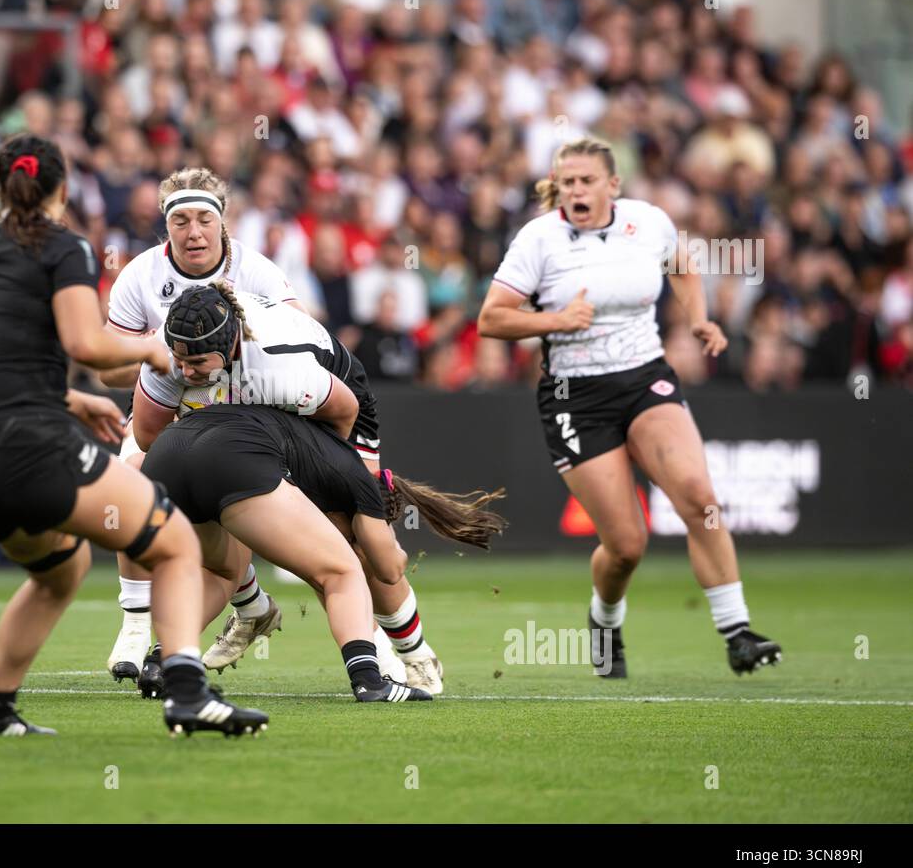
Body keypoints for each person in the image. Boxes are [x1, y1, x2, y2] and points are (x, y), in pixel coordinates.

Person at [0, 134, 267, 737]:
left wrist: (66, 398)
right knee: (173, 540)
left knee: (60, 572)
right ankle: (188, 694)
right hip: (29, 445)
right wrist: (154, 346)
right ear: (63, 188)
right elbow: (85, 343)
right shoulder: (64, 245)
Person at [477, 138, 782, 677]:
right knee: (625, 545)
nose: (576, 190)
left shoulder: (648, 222)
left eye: (586, 181)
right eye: (567, 182)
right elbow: (492, 319)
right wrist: (555, 321)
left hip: (645, 379)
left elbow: (684, 267)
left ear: (612, 185)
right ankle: (605, 619)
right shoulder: (539, 239)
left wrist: (697, 318)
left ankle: (737, 632)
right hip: (576, 397)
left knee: (699, 496)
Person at [134, 283, 501, 693]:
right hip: (238, 441)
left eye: (196, 363)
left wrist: (314, 487)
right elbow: (147, 432)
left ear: (230, 344)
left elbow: (345, 411)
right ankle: (368, 672)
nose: (184, 372)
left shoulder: (280, 368)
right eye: (180, 361)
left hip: (332, 407)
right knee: (334, 566)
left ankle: (414, 655)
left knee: (349, 549)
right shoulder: (173, 349)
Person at [96, 166, 302, 695]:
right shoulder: (140, 275)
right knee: (132, 481)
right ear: (166, 226)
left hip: (249, 413)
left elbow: (301, 338)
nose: (193, 232)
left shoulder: (256, 272)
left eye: (204, 219)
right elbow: (107, 368)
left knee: (240, 532)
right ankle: (137, 621)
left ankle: (380, 648)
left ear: (222, 223)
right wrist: (165, 352)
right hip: (166, 411)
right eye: (181, 220)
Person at [143, 402, 503, 700]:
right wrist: (388, 545)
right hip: (230, 455)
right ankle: (369, 681)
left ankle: (164, 659)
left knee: (222, 572)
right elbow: (390, 571)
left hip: (166, 453)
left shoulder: (321, 463)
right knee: (341, 572)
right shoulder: (360, 486)